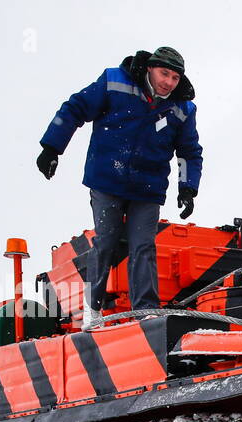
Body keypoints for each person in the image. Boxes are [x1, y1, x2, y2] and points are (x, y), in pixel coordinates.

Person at [37, 46, 203, 317]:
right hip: (107, 181)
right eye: (164, 74)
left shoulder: (183, 109)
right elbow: (75, 108)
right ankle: (93, 309)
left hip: (147, 188)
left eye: (175, 78)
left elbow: (189, 151)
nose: (168, 82)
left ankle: (145, 311)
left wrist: (188, 188)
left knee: (143, 246)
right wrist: (52, 148)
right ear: (150, 68)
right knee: (106, 242)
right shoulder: (115, 82)